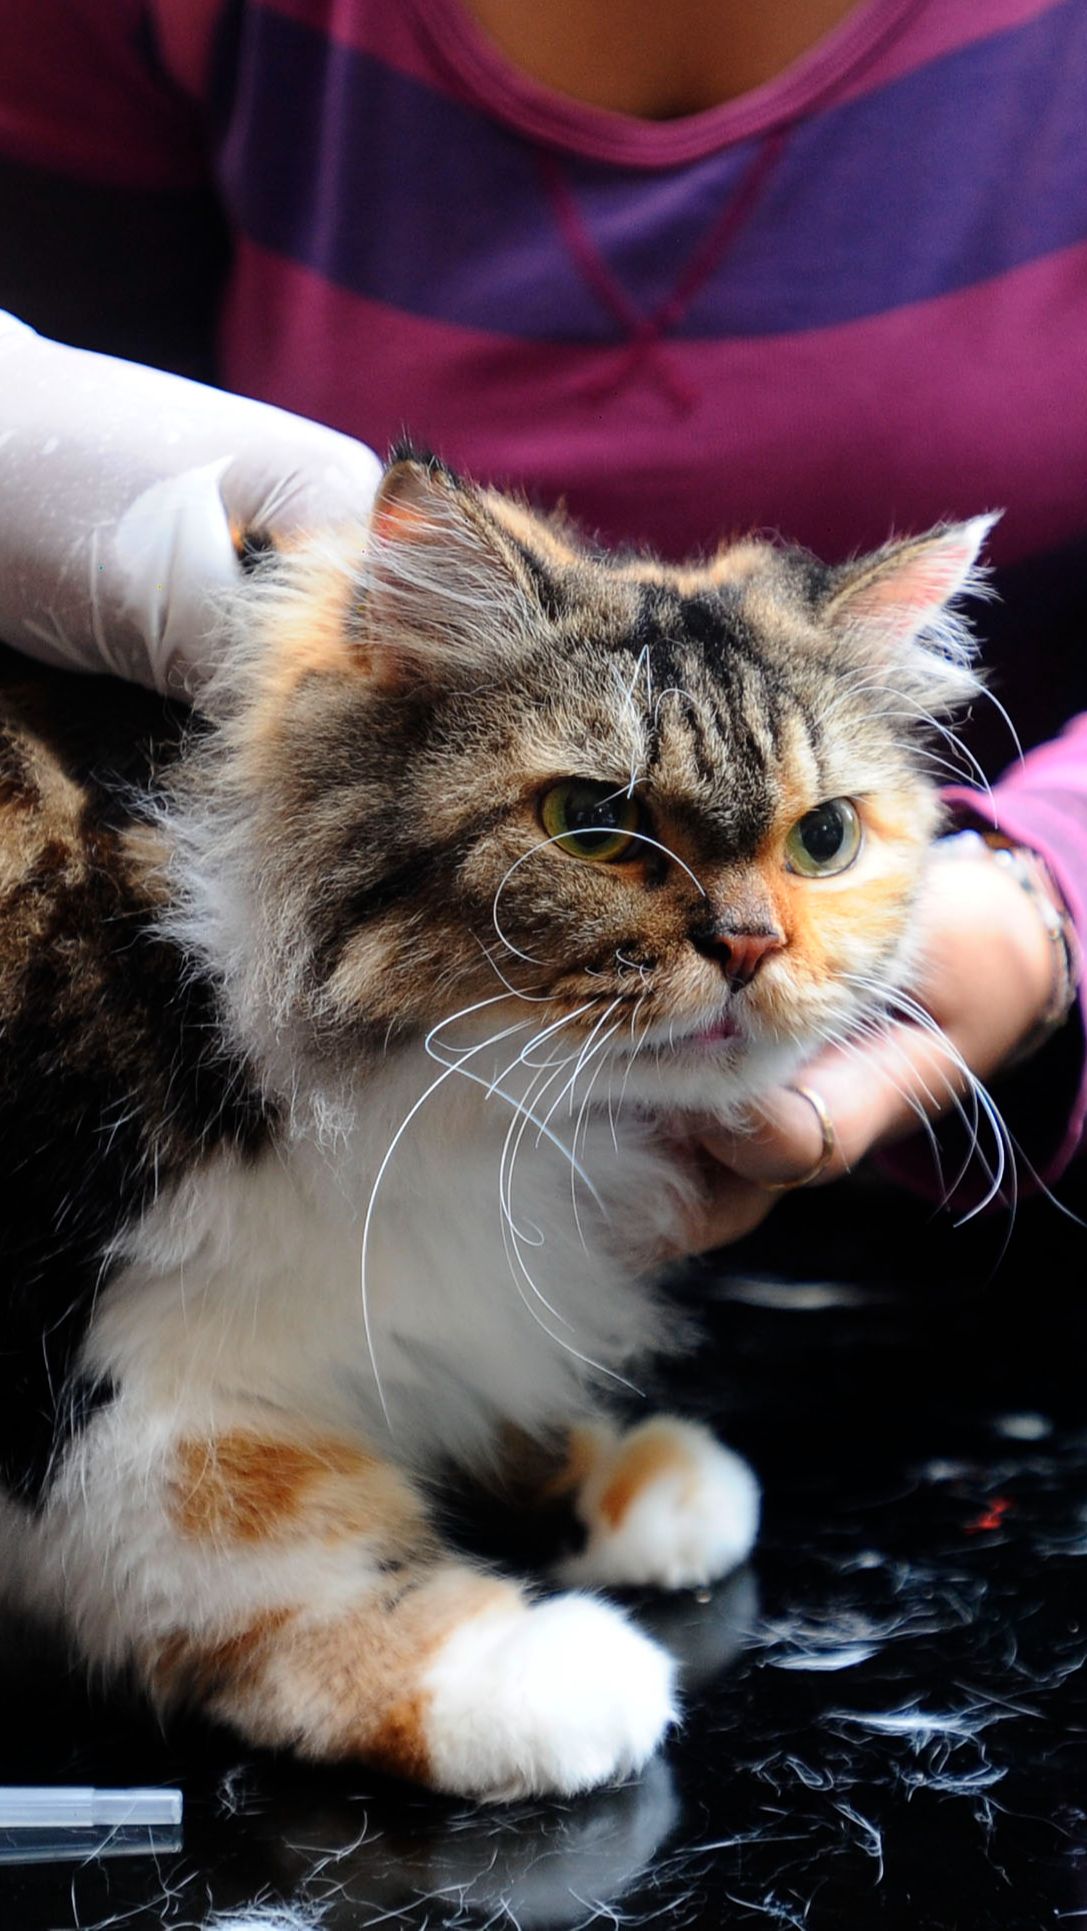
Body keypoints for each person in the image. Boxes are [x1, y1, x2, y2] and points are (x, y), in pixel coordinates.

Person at [1, 0, 1085, 1245]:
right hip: (290, 1098)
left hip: (984, 1170)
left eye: (820, 835)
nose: (747, 934)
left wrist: (1049, 895)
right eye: (600, 823)